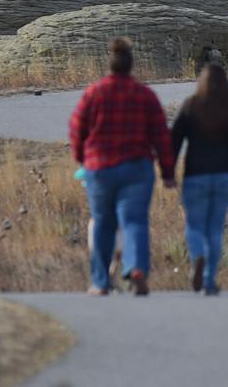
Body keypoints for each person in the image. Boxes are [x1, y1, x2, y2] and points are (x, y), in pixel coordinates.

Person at [69, 38, 176, 296]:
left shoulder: (93, 93)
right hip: (137, 168)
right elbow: (161, 136)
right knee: (135, 221)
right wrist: (168, 172)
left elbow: (76, 129)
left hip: (100, 168)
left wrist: (81, 157)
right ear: (131, 66)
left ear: (110, 66)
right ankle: (136, 268)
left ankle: (100, 282)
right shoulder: (145, 94)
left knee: (103, 223)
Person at [171, 62, 228, 296]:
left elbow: (174, 140)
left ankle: (198, 258)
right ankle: (209, 279)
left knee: (194, 225)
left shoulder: (190, 106)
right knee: (215, 228)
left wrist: (168, 170)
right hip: (224, 176)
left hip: (196, 175)